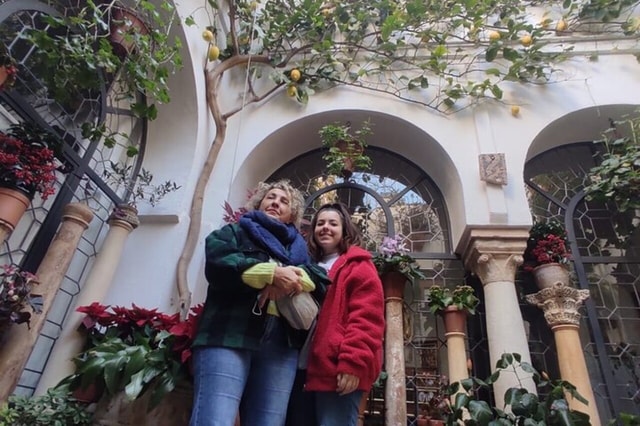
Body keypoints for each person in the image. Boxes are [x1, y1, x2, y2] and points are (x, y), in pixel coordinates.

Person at [190, 180, 328, 426]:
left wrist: (288, 279)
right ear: (259, 203)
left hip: (281, 344)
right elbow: (219, 260)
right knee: (215, 419)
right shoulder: (234, 232)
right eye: (270, 197)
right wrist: (271, 273)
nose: (276, 202)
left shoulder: (300, 251)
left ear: (292, 215)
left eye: (284, 201)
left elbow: (320, 280)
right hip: (230, 334)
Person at [304, 203, 385, 426]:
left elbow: (367, 319)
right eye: (320, 223)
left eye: (333, 223)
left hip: (338, 369)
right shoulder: (308, 264)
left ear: (345, 230)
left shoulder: (358, 265)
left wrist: (352, 364)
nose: (325, 228)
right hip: (305, 368)